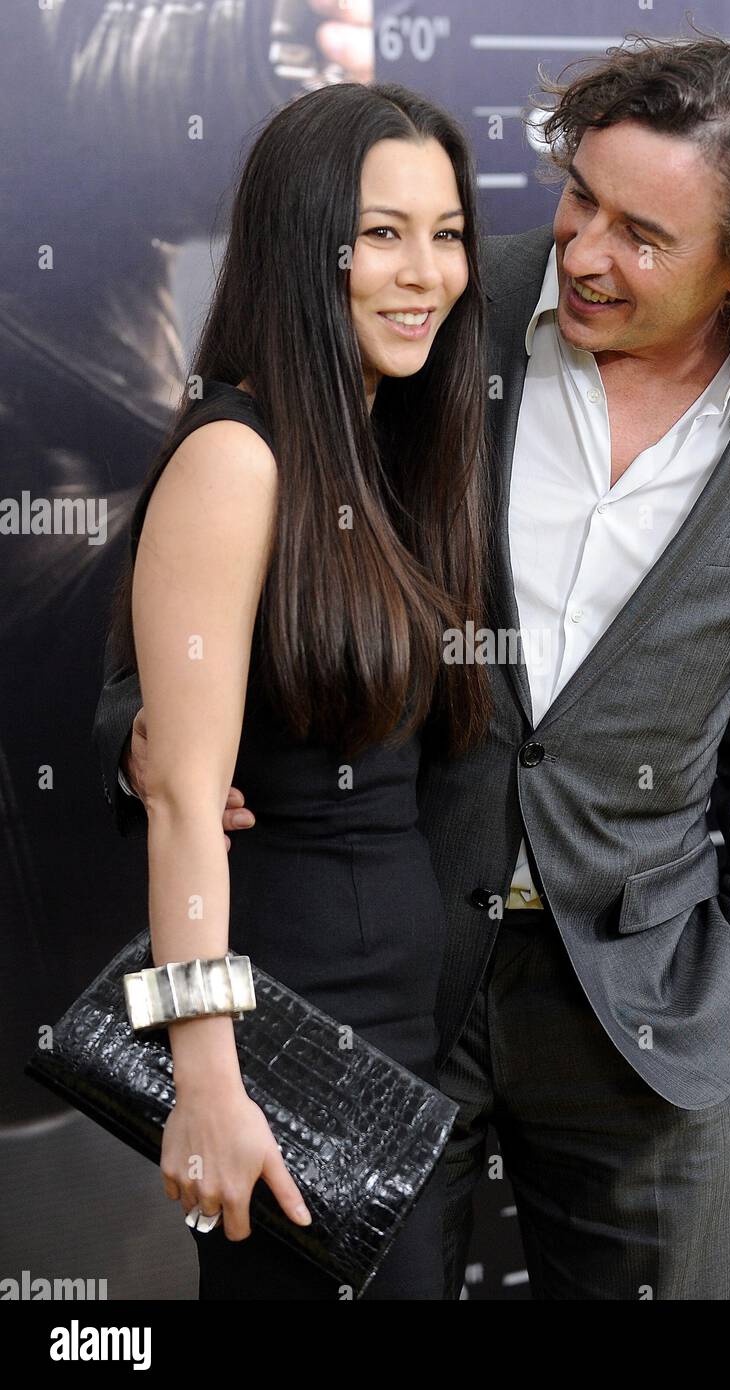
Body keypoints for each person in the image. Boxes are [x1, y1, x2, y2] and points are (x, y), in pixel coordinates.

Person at [97, 34, 730, 1300]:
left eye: (641, 233)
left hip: (647, 1009)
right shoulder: (447, 310)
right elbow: (229, 528)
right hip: (393, 978)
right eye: (580, 197)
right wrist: (146, 725)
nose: (581, 251)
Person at [98, 79, 493, 1299]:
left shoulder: (385, 450)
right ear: (299, 245)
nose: (424, 272)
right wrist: (207, 1080)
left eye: (446, 233)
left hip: (408, 1033)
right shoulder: (236, 460)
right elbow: (183, 801)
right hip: (295, 1046)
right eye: (381, 234)